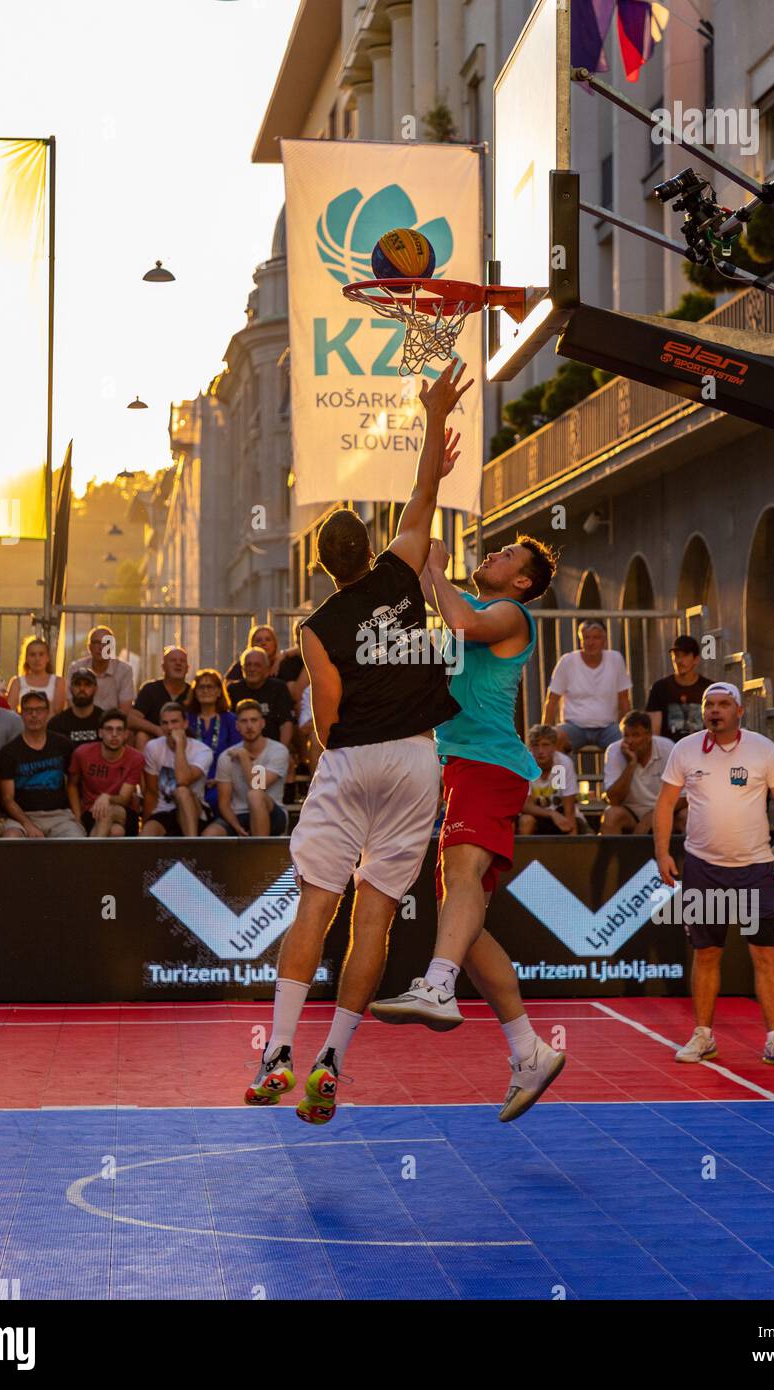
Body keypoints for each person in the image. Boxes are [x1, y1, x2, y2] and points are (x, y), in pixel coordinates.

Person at [245, 362, 470, 1126]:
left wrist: (329, 745)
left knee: (317, 902)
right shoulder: (402, 571)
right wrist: (432, 414)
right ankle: (333, 1059)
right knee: (372, 914)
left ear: (319, 564)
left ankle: (277, 1050)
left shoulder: (316, 629)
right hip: (415, 757)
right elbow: (423, 495)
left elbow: (327, 719)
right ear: (370, 545)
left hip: (349, 761)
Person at [371, 530, 567, 1123]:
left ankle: (436, 986)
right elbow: (446, 611)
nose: (495, 555)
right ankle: (528, 1050)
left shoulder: (510, 615)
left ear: (523, 582)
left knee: (459, 880)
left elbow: (455, 619)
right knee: (468, 923)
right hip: (460, 765)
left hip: (490, 763)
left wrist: (436, 566)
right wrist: (432, 567)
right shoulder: (474, 606)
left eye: (508, 555)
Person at [652, 682, 774, 1068]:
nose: (714, 711)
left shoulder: (762, 749)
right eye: (708, 705)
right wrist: (662, 852)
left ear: (739, 711)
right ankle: (703, 1036)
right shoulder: (685, 749)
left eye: (722, 704)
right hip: (703, 868)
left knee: (765, 954)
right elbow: (666, 803)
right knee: (706, 954)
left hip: (755, 868)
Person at [0, 691, 85, 839]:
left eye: (39, 710)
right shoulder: (8, 752)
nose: (34, 715)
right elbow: (7, 798)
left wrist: (77, 817)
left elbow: (73, 783)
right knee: (11, 838)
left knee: (76, 839)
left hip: (59, 815)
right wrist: (28, 824)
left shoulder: (63, 744)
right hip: (22, 816)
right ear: (21, 713)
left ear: (48, 713)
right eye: (29, 710)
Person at [204, 700, 289, 837]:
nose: (249, 726)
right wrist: (236, 826)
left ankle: (259, 854)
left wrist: (243, 757)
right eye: (244, 721)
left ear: (262, 723)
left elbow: (257, 785)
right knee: (210, 834)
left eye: (254, 720)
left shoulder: (278, 750)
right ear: (237, 726)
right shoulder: (227, 756)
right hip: (239, 814)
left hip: (272, 813)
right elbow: (224, 802)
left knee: (254, 795)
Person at [543, 620, 631, 753]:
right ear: (580, 640)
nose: (591, 642)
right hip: (573, 727)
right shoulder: (567, 661)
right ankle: (557, 775)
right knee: (554, 740)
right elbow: (551, 701)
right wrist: (544, 734)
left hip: (608, 728)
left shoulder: (616, 659)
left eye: (596, 637)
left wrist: (628, 729)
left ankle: (621, 774)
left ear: (604, 640)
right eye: (586, 638)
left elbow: (624, 699)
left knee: (629, 744)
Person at [600, 710, 681, 836]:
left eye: (636, 735)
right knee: (611, 815)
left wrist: (654, 815)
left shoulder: (667, 748)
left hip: (664, 811)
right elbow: (614, 801)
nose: (630, 741)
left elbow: (685, 796)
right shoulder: (615, 751)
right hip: (630, 813)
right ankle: (612, 856)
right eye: (626, 735)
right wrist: (631, 765)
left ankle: (687, 856)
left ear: (649, 736)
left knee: (687, 815)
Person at [140, 702, 213, 837]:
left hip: (194, 808)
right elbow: (151, 792)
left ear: (185, 724)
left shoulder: (202, 750)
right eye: (165, 723)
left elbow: (182, 780)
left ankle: (192, 845)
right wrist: (146, 822)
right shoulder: (153, 747)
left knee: (182, 791)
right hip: (164, 809)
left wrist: (179, 745)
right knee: (148, 832)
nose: (170, 727)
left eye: (174, 722)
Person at [69, 710, 145, 837]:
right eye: (109, 729)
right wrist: (77, 818)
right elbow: (72, 785)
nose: (114, 735)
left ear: (126, 734)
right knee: (116, 832)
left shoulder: (135, 758)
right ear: (100, 733)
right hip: (91, 811)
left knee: (108, 810)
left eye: (119, 730)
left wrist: (107, 797)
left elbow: (124, 799)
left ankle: (91, 853)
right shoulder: (82, 753)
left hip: (124, 811)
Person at [186, 669, 240, 819]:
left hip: (221, 780)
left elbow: (236, 752)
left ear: (219, 692)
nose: (205, 691)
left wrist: (219, 779)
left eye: (210, 687)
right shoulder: (186, 719)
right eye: (201, 687)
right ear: (195, 692)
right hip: (192, 778)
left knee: (217, 797)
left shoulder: (230, 719)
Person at [224, 647, 294, 747]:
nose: (252, 669)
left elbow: (286, 723)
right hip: (240, 749)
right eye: (248, 665)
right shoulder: (233, 689)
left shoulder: (279, 688)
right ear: (242, 669)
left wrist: (282, 751)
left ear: (267, 669)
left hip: (271, 748)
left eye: (257, 665)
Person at [646, 635, 709, 741]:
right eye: (676, 655)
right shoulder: (660, 688)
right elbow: (654, 734)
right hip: (669, 751)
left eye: (685, 655)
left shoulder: (707, 689)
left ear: (696, 659)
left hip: (701, 749)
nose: (679, 660)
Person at [519, 723, 579, 835]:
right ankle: (525, 852)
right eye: (535, 745)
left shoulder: (563, 763)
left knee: (583, 834)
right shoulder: (525, 764)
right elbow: (525, 806)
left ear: (554, 747)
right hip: (537, 816)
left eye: (545, 745)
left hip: (561, 814)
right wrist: (552, 814)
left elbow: (569, 809)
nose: (540, 751)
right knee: (526, 820)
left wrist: (573, 838)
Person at [130, 647, 192, 749]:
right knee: (141, 736)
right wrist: (157, 730)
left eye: (182, 661)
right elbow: (131, 719)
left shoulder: (193, 692)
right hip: (154, 741)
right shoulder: (150, 689)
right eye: (173, 660)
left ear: (188, 668)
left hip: (186, 741)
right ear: (163, 667)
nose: (178, 663)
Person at [67, 626, 136, 715]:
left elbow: (125, 710)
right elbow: (71, 704)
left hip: (112, 723)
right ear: (89, 647)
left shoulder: (124, 670)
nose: (101, 647)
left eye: (106, 643)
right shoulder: (76, 668)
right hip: (82, 721)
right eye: (96, 642)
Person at [5, 636, 66, 717]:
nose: (37, 659)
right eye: (32, 655)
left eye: (41, 654)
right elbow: (10, 712)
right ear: (26, 658)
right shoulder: (17, 682)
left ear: (47, 658)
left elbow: (57, 711)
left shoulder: (58, 682)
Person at [48, 668, 105, 746]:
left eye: (87, 684)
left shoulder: (105, 721)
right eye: (78, 684)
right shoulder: (57, 724)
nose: (82, 688)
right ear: (70, 688)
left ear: (95, 689)